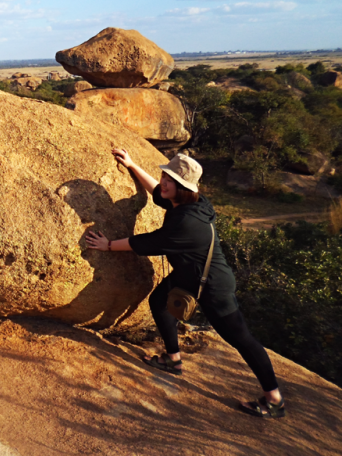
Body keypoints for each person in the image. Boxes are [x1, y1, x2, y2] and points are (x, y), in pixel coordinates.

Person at [85, 150, 285, 419]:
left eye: (171, 180)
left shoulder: (187, 221)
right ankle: (173, 359)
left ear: (183, 188)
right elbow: (157, 191)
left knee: (240, 338)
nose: (164, 182)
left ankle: (274, 400)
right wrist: (132, 164)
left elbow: (148, 243)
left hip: (213, 286)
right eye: (165, 176)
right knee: (159, 302)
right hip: (189, 274)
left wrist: (108, 245)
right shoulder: (189, 203)